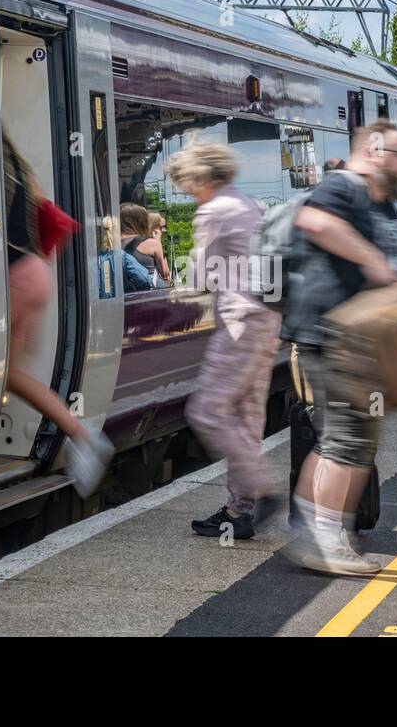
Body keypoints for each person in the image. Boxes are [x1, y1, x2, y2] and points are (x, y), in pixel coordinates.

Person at [280, 118, 397, 575]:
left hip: (360, 340)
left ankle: (318, 534)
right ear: (374, 151)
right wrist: (372, 259)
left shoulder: (380, 202)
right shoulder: (343, 187)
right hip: (334, 336)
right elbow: (313, 221)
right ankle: (324, 540)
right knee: (349, 439)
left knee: (348, 438)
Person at [173, 144, 284, 540]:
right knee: (247, 417)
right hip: (267, 319)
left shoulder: (214, 210)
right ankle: (240, 510)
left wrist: (183, 291)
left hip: (239, 323)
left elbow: (200, 274)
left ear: (201, 177)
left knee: (207, 410)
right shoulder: (250, 203)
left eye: (185, 182)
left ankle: (261, 488)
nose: (185, 190)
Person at [2, 135, 113, 495]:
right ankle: (82, 436)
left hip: (17, 276)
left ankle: (82, 435)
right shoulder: (19, 169)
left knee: (9, 374)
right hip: (36, 272)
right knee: (12, 373)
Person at [120, 202, 170, 287]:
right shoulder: (152, 244)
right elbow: (165, 274)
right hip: (146, 294)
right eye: (160, 226)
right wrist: (158, 242)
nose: (164, 230)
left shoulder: (110, 243)